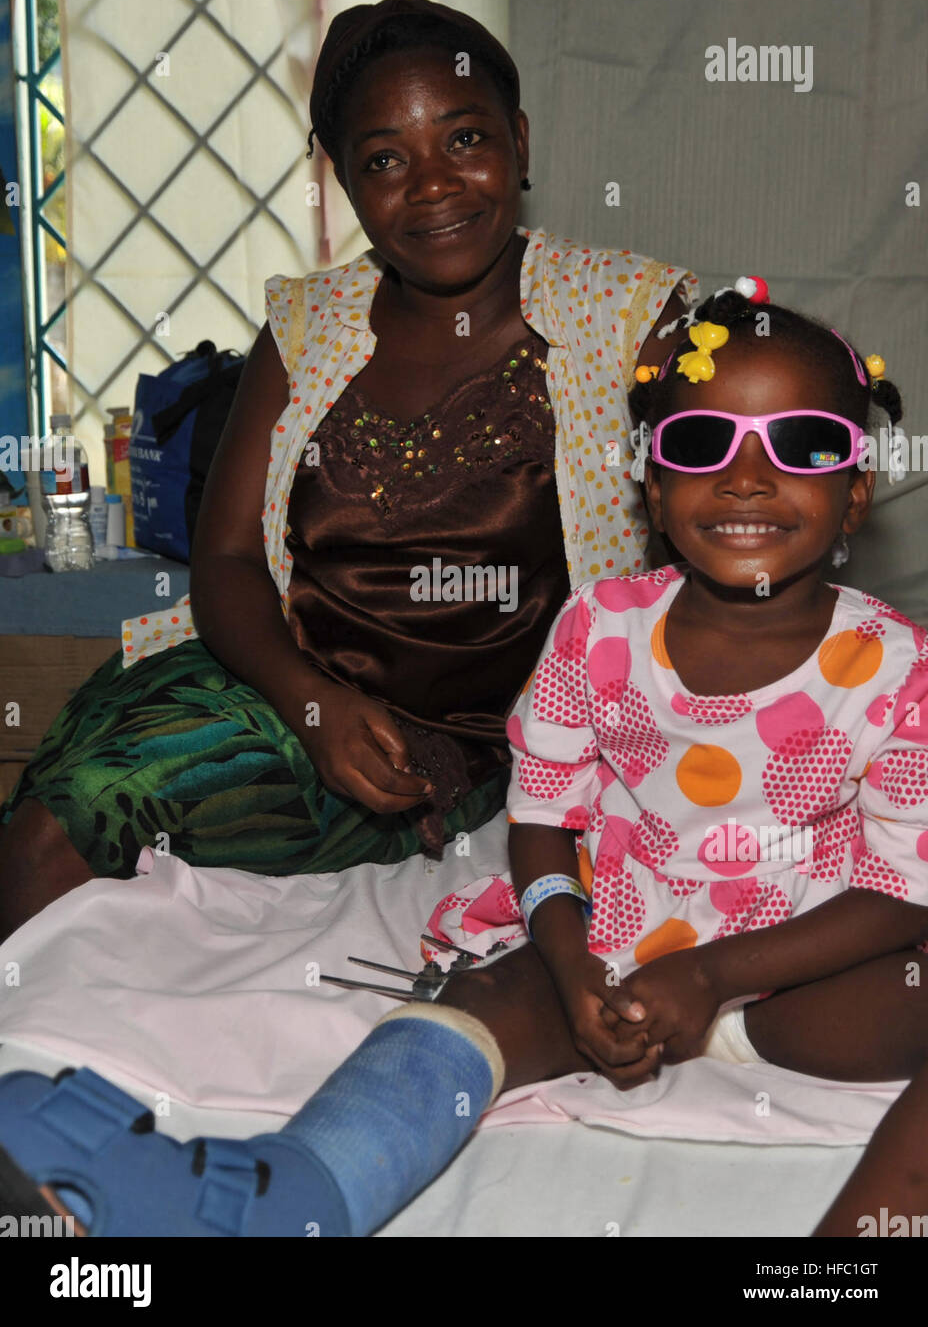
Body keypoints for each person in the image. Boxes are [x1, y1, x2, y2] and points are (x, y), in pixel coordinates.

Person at [2, 280, 927, 1237]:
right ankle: (292, 1190)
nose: (746, 477)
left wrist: (715, 981)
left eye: (802, 446)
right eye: (700, 446)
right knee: (483, 1000)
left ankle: (735, 1037)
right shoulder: (600, 631)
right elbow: (540, 822)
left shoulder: (898, 668)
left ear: (856, 489)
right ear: (652, 486)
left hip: (801, 958)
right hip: (617, 933)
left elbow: (904, 888)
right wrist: (571, 968)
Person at [0, 0, 693, 941]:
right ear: (343, 186)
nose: (434, 185)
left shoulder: (624, 316)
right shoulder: (310, 324)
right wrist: (311, 700)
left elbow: (724, 525)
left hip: (457, 750)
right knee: (52, 822)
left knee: (75, 820)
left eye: (465, 139)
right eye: (384, 160)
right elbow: (232, 562)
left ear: (521, 143)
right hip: (272, 682)